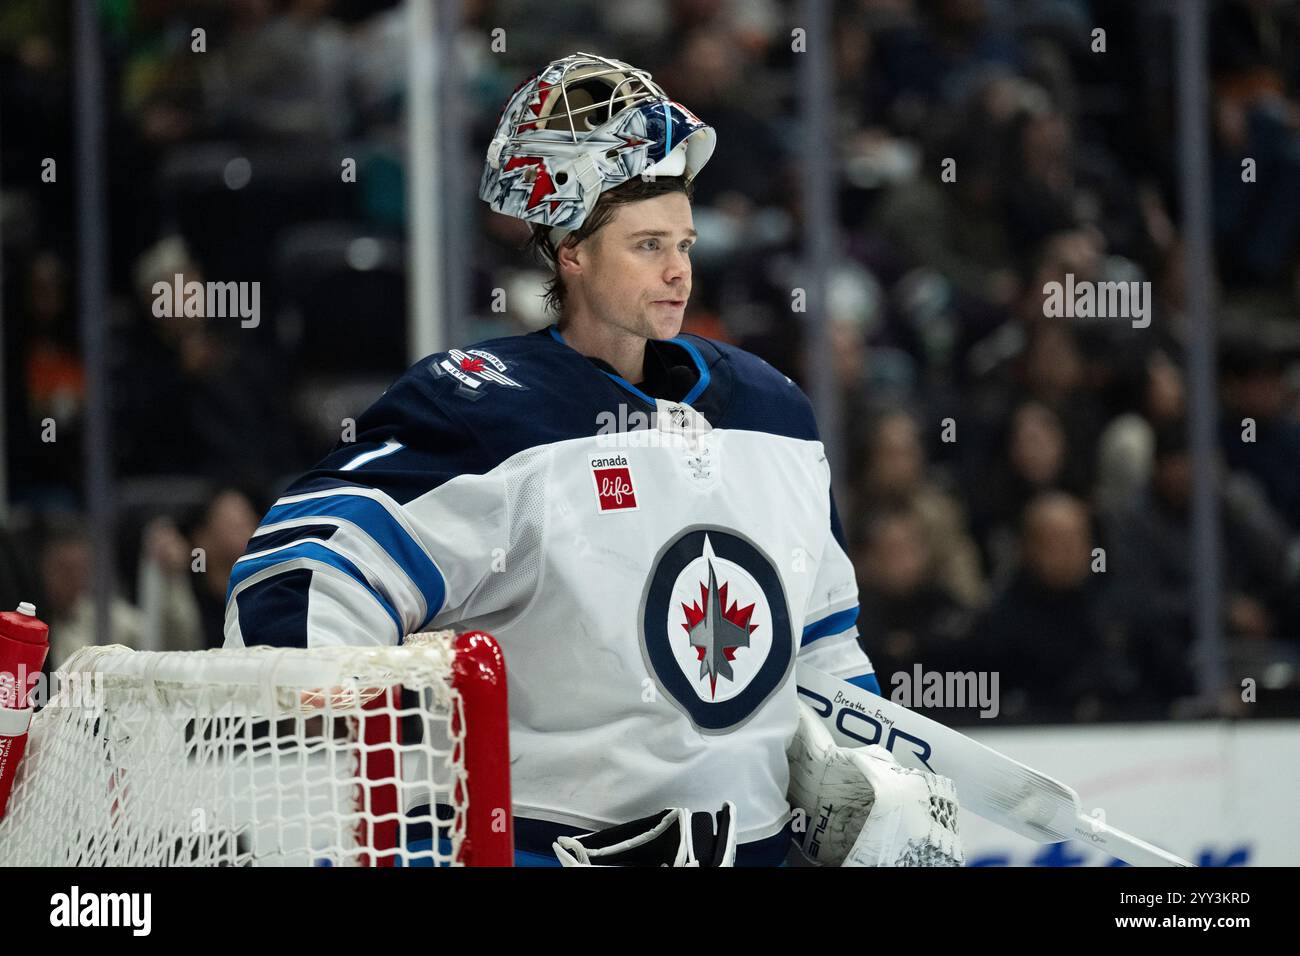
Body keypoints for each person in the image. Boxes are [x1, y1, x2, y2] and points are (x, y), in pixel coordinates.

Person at [224, 52, 883, 866]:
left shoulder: (773, 411)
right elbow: (301, 578)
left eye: (684, 241)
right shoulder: (487, 411)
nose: (679, 269)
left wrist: (873, 775)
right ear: (570, 252)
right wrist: (356, 804)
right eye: (647, 245)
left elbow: (823, 648)